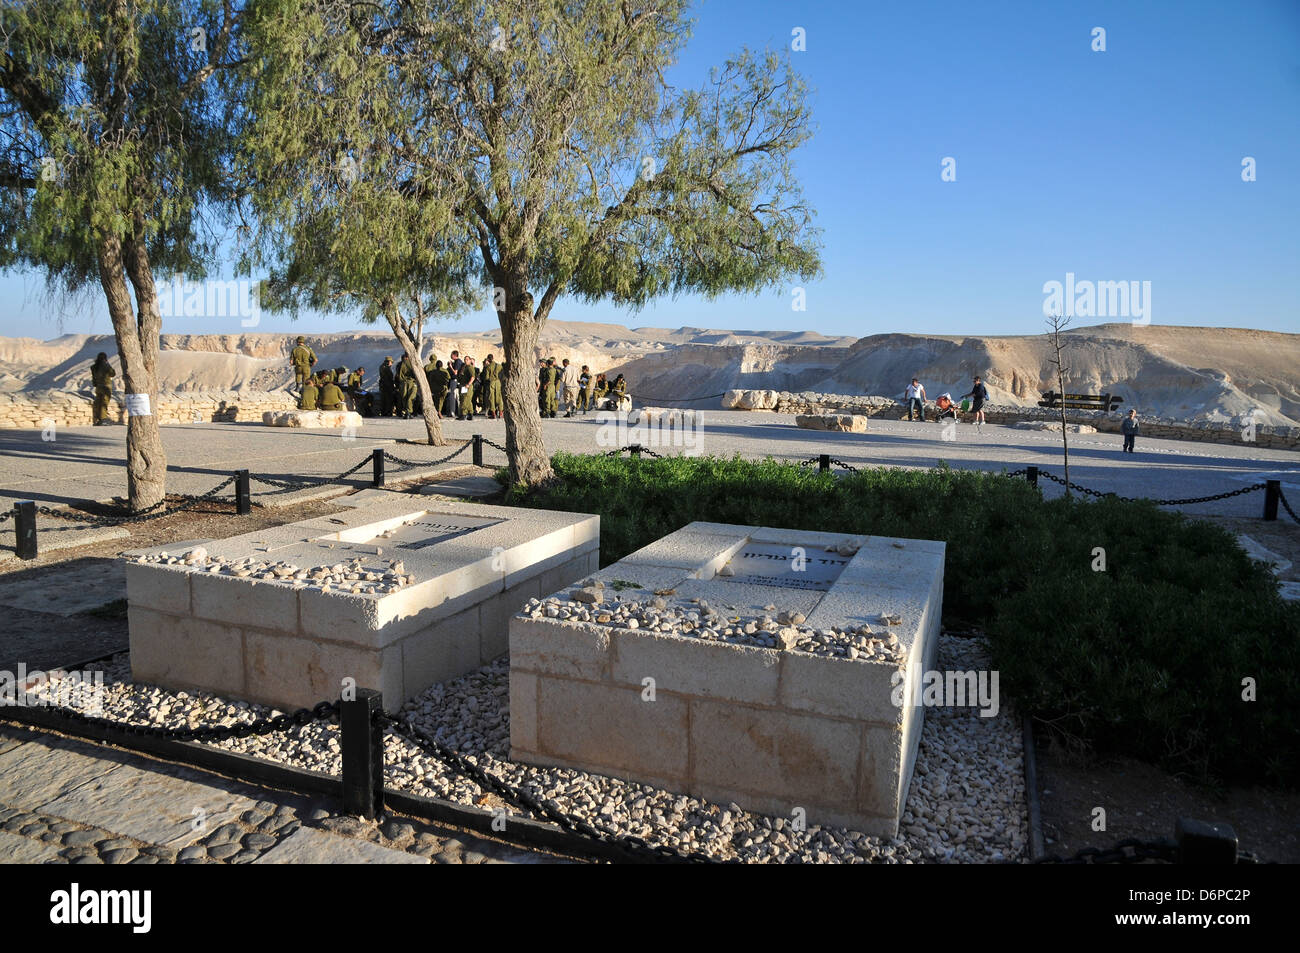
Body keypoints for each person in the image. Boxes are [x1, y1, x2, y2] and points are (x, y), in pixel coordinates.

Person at [90, 352, 115, 425]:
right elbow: (113, 373)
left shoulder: (94, 367)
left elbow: (94, 377)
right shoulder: (106, 366)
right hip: (106, 386)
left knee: (98, 402)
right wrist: (108, 364)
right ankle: (103, 419)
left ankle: (98, 419)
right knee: (104, 403)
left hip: (98, 386)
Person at [397, 353, 418, 418]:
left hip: (402, 383)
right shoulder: (412, 363)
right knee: (411, 397)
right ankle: (409, 412)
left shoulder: (399, 364)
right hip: (411, 382)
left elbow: (398, 374)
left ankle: (405, 412)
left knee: (404, 398)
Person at [457, 355, 477, 420]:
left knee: (465, 399)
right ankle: (470, 413)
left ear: (470, 360)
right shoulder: (464, 367)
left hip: (467, 385)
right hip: (463, 385)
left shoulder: (470, 367)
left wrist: (468, 384)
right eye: (465, 359)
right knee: (466, 399)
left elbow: (473, 377)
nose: (466, 360)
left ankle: (463, 414)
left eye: (467, 359)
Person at [483, 354, 503, 419]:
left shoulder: (488, 367)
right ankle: (500, 413)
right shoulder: (499, 366)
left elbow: (486, 377)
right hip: (498, 382)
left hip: (491, 383)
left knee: (491, 398)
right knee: (499, 398)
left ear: (488, 359)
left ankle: (493, 414)